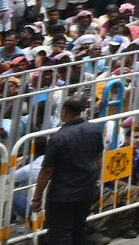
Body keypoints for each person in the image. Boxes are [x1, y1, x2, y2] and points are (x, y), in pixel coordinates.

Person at [32, 97, 101, 245]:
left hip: (63, 195)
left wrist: (37, 197)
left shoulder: (58, 138)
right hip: (86, 191)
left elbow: (46, 171)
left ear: (65, 111)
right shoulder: (94, 130)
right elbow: (98, 159)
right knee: (79, 229)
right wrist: (96, 179)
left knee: (59, 234)